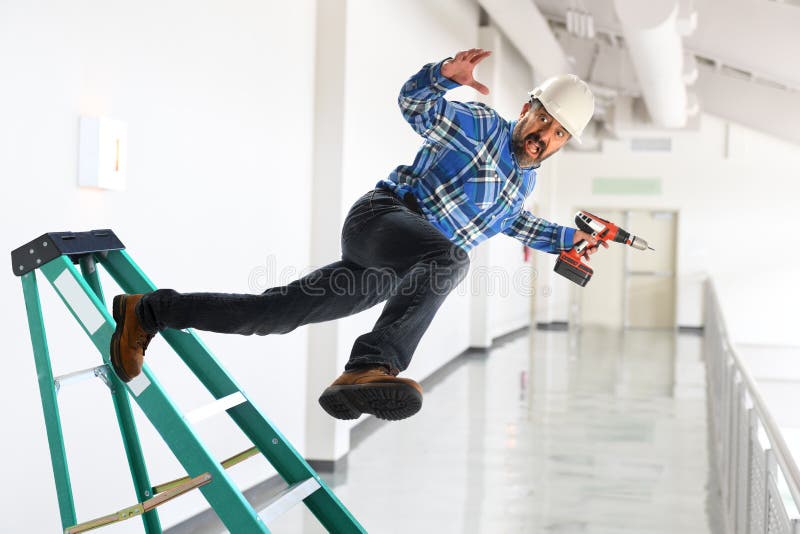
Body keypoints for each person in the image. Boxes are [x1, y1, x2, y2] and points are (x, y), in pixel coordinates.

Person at [110, 48, 603, 422]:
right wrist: (440, 77)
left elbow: (512, 222)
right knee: (451, 260)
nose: (545, 135)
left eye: (558, 133)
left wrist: (568, 240)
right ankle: (372, 365)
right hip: (380, 221)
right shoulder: (478, 125)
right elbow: (415, 106)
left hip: (392, 271)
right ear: (527, 107)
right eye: (543, 119)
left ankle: (147, 311)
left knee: (272, 314)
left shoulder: (526, 180)